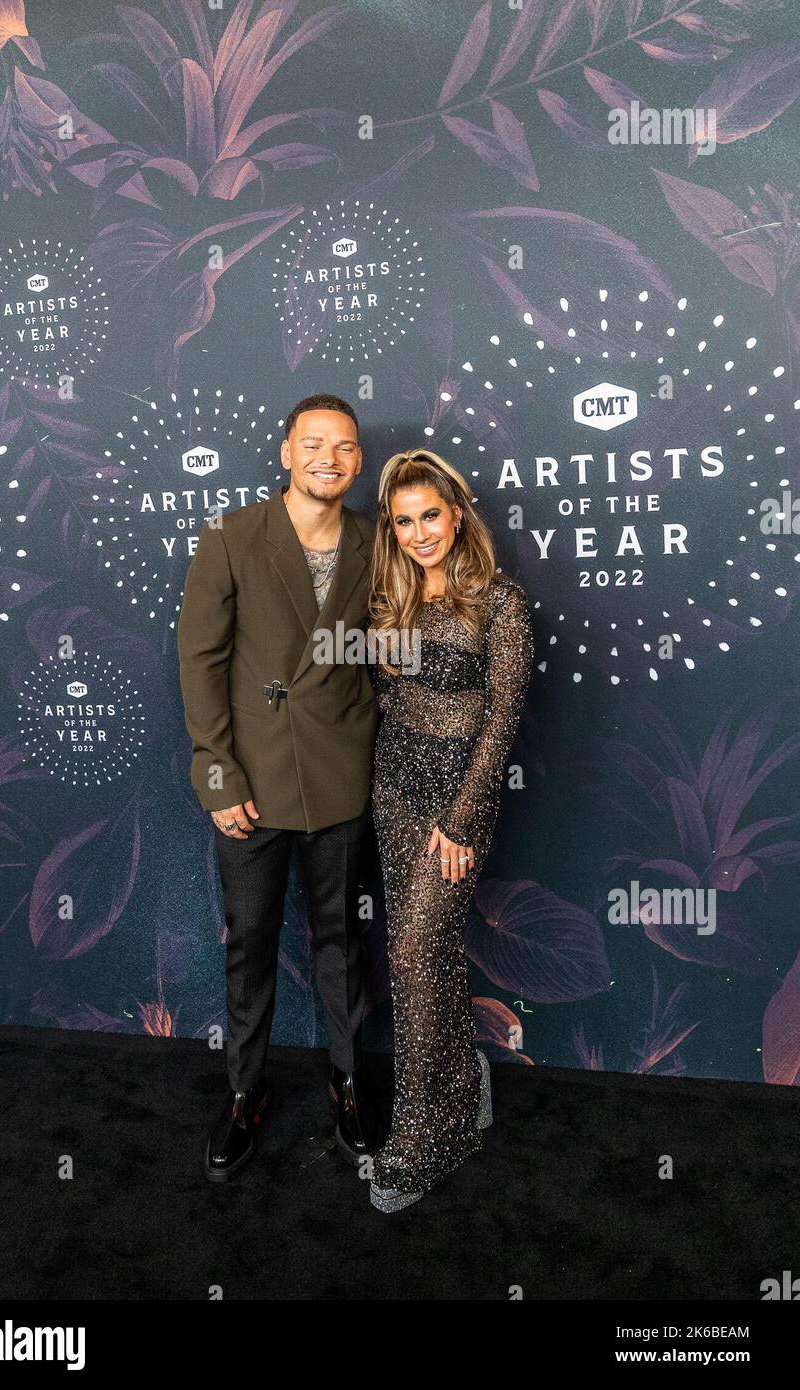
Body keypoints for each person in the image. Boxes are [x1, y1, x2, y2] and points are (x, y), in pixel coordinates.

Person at [177, 394, 382, 1181]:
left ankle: (347, 1081)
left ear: (359, 462)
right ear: (288, 452)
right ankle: (244, 1093)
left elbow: (389, 641)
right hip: (251, 781)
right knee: (251, 942)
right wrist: (218, 774)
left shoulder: (373, 540)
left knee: (340, 941)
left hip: (340, 773)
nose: (329, 457)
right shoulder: (231, 535)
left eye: (345, 447)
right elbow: (201, 663)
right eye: (314, 443)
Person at [365, 448, 534, 1212]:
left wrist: (464, 817)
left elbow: (502, 719)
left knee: (411, 950)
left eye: (430, 515)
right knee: (420, 961)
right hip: (392, 792)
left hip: (457, 800)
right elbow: (376, 698)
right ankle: (461, 1096)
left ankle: (423, 1134)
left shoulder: (500, 601)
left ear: (457, 515)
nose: (419, 533)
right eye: (404, 521)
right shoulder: (388, 599)